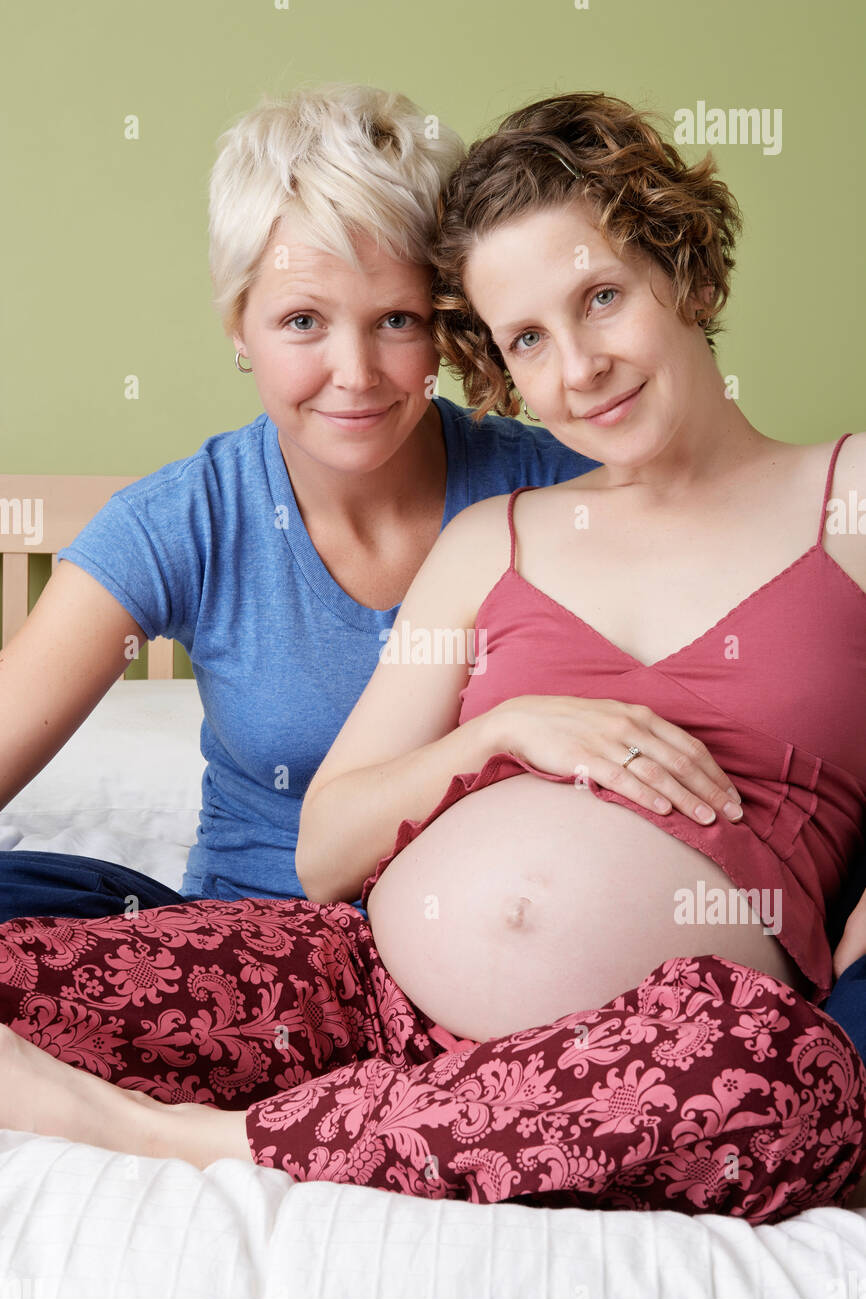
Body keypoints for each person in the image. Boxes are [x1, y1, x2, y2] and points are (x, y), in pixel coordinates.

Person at [2, 91, 864, 1225]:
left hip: (656, 1033)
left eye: (601, 297)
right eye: (526, 340)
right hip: (355, 979)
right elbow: (325, 853)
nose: (580, 367)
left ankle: (187, 1138)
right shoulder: (488, 534)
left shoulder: (818, 497)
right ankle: (384, 1122)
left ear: (687, 276)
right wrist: (500, 733)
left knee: (774, 1080)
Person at [0, 81, 604, 923]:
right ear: (238, 327)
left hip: (481, 960)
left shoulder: (561, 491)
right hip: (238, 963)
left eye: (397, 319)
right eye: (301, 322)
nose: (354, 374)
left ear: (449, 321)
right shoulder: (186, 520)